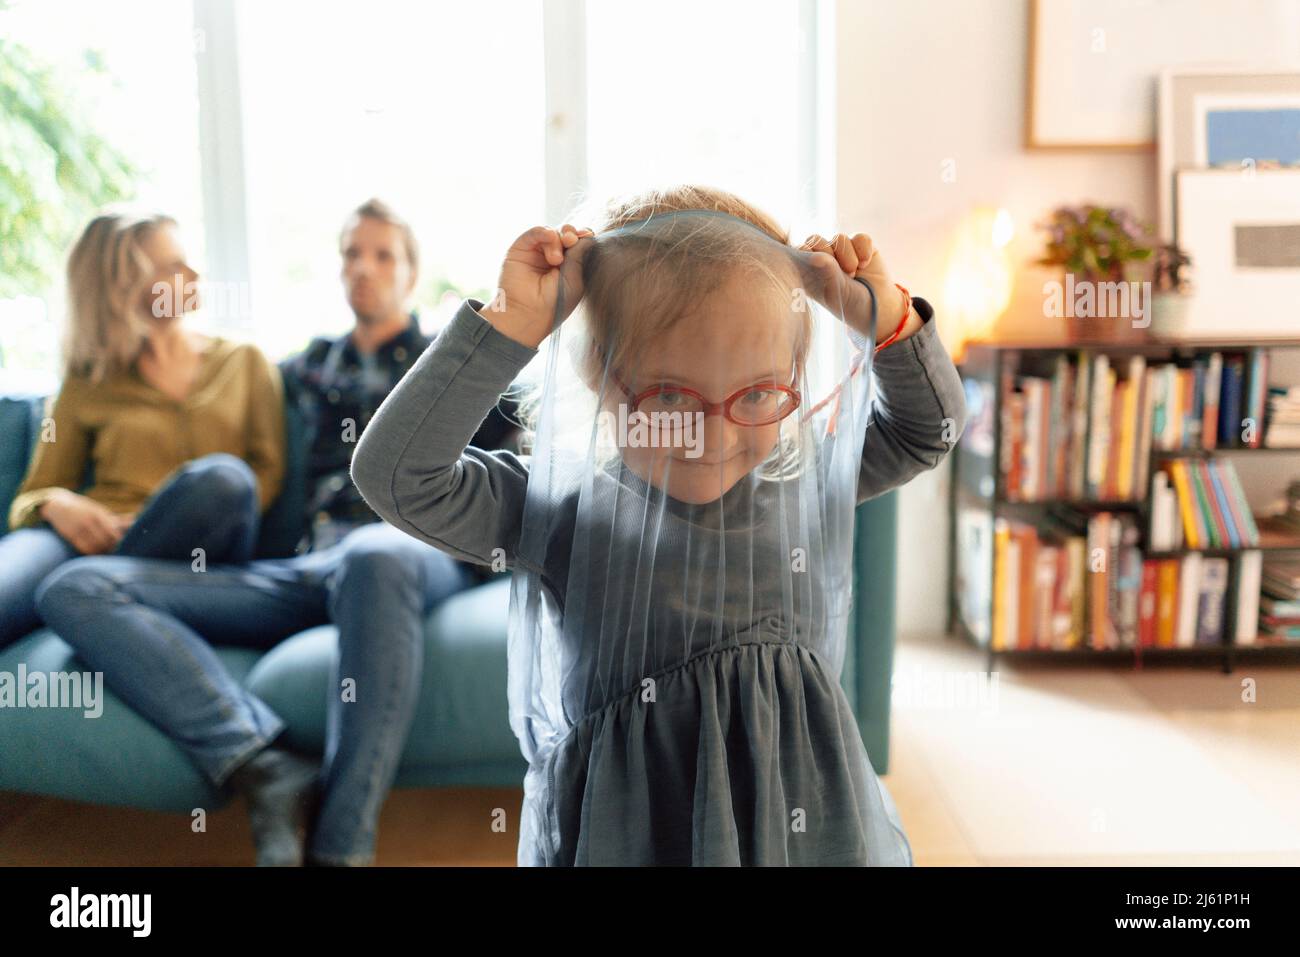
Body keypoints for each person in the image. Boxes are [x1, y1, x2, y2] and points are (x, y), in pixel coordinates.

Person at [351, 185, 969, 865]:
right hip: (636, 833)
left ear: (793, 378)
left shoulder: (804, 483)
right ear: (596, 373)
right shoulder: (562, 509)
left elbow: (928, 430)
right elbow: (396, 474)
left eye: (759, 393)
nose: (714, 434)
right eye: (670, 395)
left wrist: (888, 323)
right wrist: (505, 326)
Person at [36, 199, 515, 866]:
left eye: (383, 254)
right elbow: (212, 386)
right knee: (74, 587)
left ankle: (340, 849)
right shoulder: (304, 368)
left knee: (374, 550)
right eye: (351, 252)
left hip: (400, 557)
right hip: (303, 572)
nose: (363, 268)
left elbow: (517, 466)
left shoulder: (448, 365)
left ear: (411, 271)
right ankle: (258, 759)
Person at [0, 210, 285, 649]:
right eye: (172, 266)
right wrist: (57, 505)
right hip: (93, 544)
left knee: (223, 479)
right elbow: (29, 499)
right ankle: (94, 590)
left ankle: (97, 590)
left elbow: (263, 474)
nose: (193, 274)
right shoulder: (88, 380)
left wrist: (167, 515)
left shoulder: (244, 363)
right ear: (124, 285)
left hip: (191, 552)